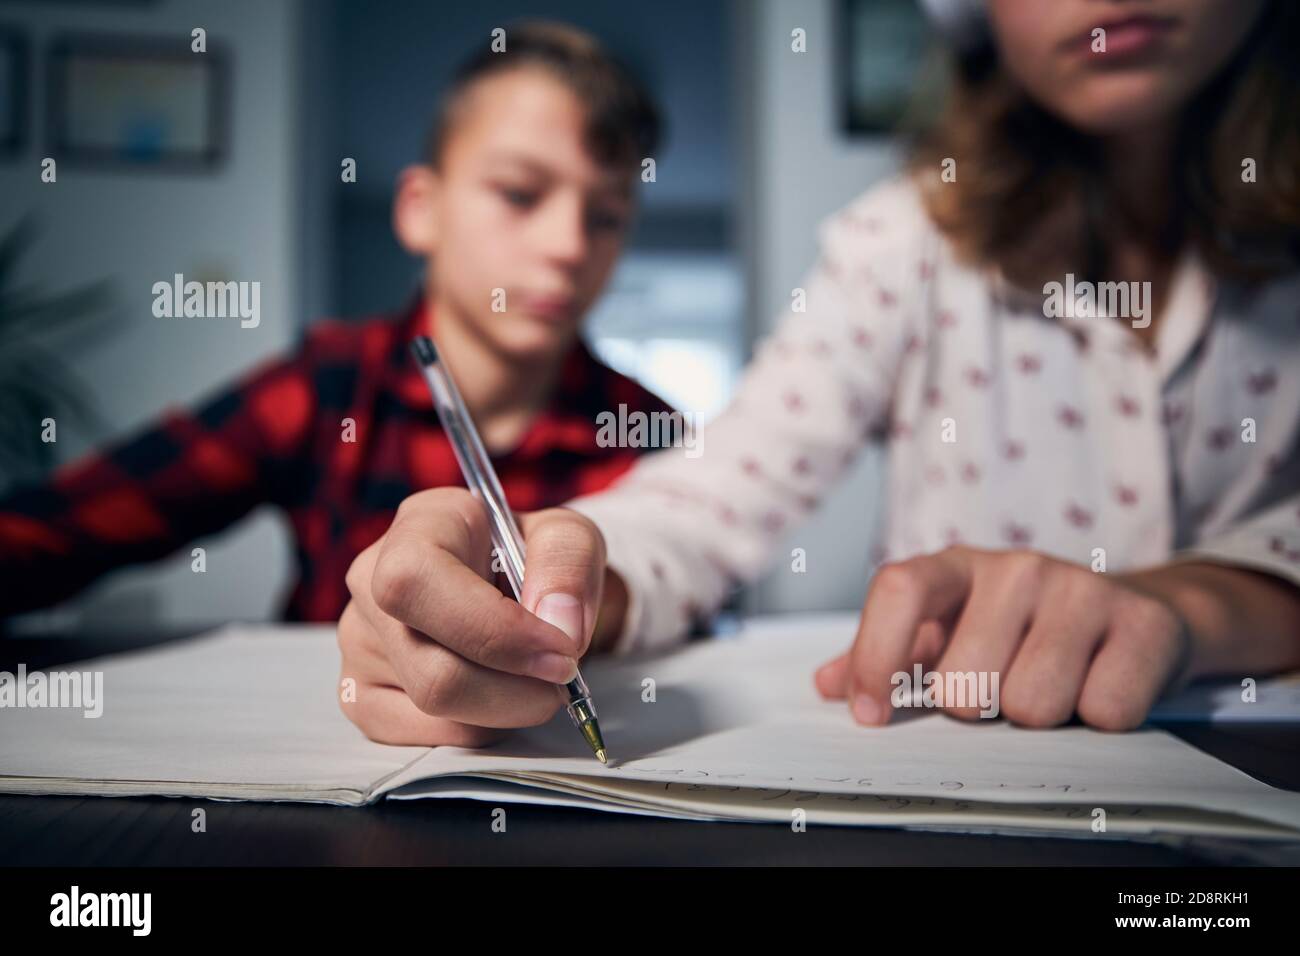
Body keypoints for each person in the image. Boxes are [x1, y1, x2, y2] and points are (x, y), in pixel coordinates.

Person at [337, 0, 1300, 747]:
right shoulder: (904, 246)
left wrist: (1205, 605)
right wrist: (561, 575)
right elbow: (705, 506)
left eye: (609, 211)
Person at [0, 22, 672, 629]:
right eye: (520, 194)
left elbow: (690, 615)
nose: (569, 245)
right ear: (420, 210)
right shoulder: (330, 387)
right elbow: (63, 530)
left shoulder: (651, 431)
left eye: (607, 216)